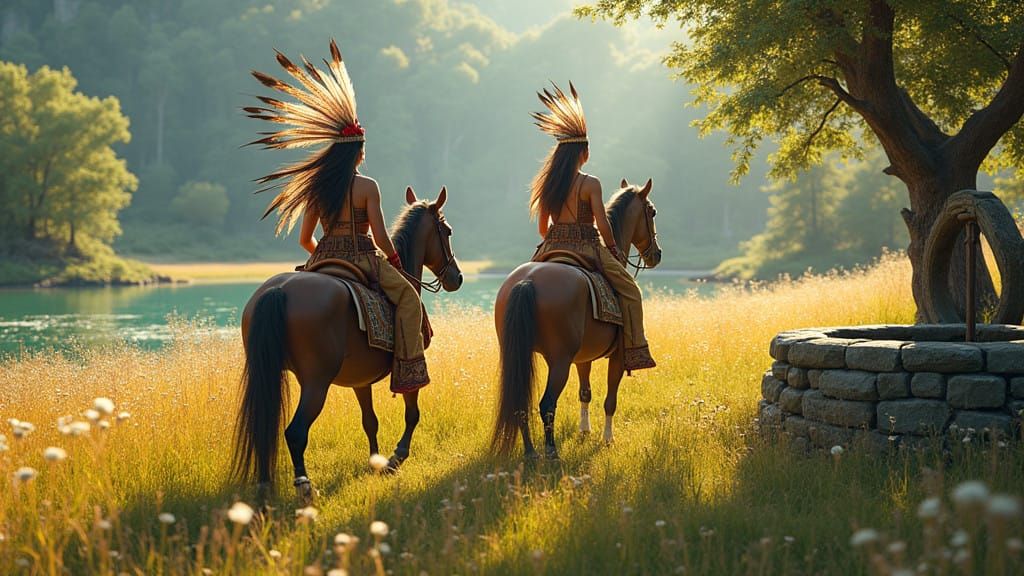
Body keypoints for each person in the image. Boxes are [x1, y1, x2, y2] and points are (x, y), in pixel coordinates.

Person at [244, 40, 428, 392]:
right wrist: (395, 262)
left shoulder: (316, 188)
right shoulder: (367, 186)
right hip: (364, 258)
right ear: (358, 153)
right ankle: (407, 372)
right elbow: (381, 236)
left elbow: (304, 239)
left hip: (323, 257)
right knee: (407, 299)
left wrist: (323, 256)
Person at [528, 82, 656, 371]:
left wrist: (555, 242)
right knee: (632, 292)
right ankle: (635, 350)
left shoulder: (548, 185)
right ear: (582, 154)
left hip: (550, 245)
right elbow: (602, 223)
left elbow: (541, 230)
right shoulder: (591, 184)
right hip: (588, 247)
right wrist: (612, 249)